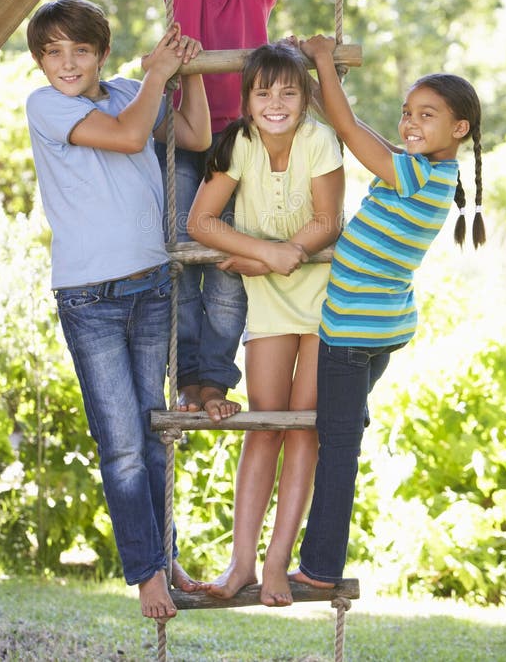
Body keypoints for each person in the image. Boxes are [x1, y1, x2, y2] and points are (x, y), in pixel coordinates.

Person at [25, 0, 211, 622]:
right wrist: (157, 75)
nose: (68, 62)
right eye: (54, 52)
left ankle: (166, 557)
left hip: (153, 284)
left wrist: (188, 74)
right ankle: (146, 575)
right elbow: (130, 136)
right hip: (91, 297)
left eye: (81, 49)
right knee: (123, 443)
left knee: (155, 438)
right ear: (40, 61)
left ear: (102, 53)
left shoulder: (130, 88)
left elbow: (195, 136)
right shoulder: (47, 105)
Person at [286, 35, 486, 590]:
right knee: (343, 429)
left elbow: (350, 134)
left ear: (459, 130)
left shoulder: (422, 175)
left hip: (351, 333)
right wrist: (311, 82)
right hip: (380, 328)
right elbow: (363, 131)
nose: (410, 123)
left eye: (427, 115)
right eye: (407, 113)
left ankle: (321, 569)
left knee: (338, 446)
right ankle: (351, 417)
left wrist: (324, 60)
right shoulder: (419, 168)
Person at [152, 0, 299, 422]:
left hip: (242, 143)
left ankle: (214, 379)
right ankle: (188, 380)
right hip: (188, 138)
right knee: (185, 256)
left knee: (231, 267)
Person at [187, 41, 345, 605]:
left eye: (289, 91)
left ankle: (278, 564)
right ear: (248, 101)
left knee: (304, 428)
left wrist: (279, 255)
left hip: (329, 298)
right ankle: (241, 565)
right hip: (272, 301)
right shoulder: (241, 145)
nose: (276, 101)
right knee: (264, 425)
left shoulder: (320, 141)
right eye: (263, 91)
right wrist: (265, 255)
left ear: (305, 99)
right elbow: (201, 221)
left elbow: (328, 220)